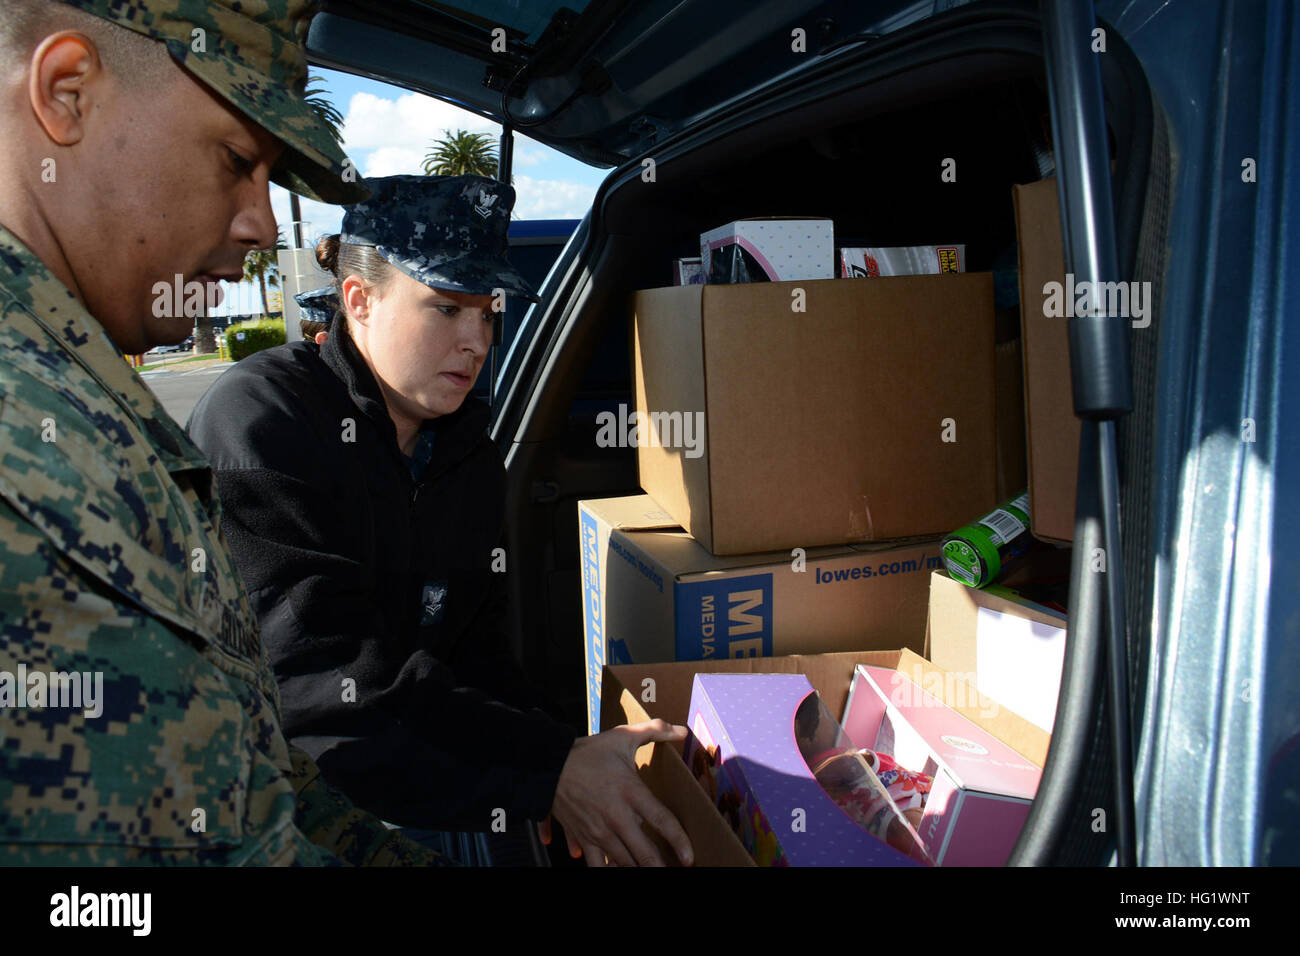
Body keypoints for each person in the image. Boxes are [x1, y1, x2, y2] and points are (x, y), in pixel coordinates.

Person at [0, 0, 448, 865]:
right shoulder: (29, 441)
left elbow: (252, 776)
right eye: (237, 161)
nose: (264, 225)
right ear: (66, 93)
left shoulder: (79, 395)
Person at [188, 174, 694, 867]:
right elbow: (320, 686)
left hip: (424, 769)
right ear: (358, 301)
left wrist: (568, 756)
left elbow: (476, 652)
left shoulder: (464, 449)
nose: (476, 341)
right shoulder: (263, 423)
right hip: (283, 796)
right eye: (447, 309)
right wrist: (548, 770)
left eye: (488, 314)